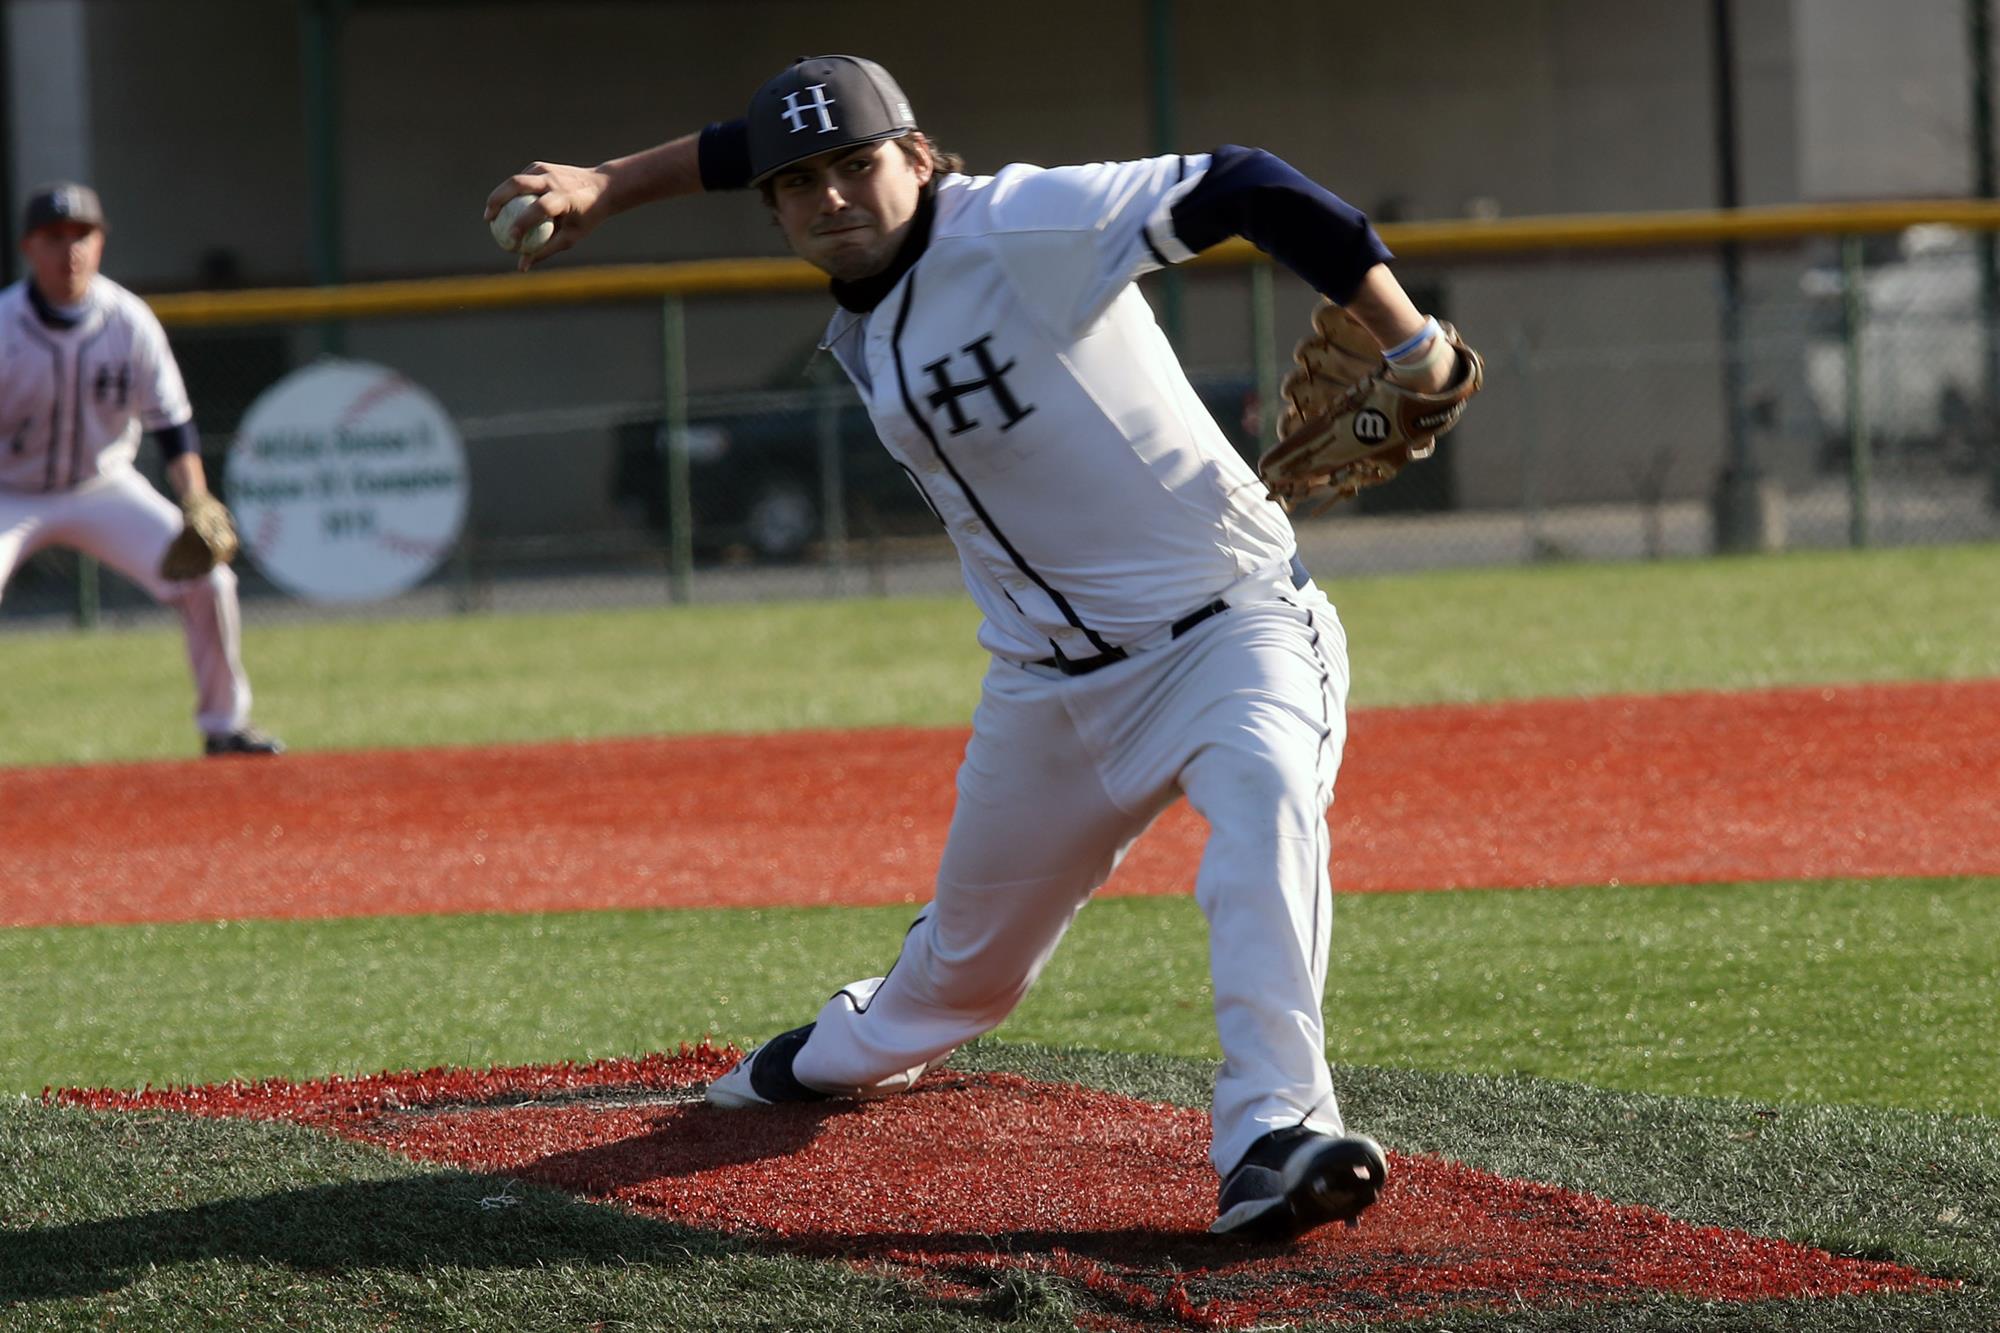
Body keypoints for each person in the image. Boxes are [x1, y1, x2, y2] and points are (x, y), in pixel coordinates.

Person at [487, 55, 1475, 1241]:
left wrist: (1409, 343)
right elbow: (745, 144)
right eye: (797, 184)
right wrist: (608, 183)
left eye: (857, 164)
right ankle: (836, 1051)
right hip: (1044, 692)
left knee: (1264, 809)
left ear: (916, 156)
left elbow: (1249, 182)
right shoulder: (865, 280)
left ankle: (1275, 1134)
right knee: (959, 976)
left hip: (1230, 631)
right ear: (773, 207)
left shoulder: (1023, 224)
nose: (831, 196)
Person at [2, 183, 281, 757]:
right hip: (9, 491)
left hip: (102, 487)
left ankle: (225, 725)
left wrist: (195, 499)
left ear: (101, 243)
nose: (70, 250)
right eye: (54, 237)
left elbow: (172, 424)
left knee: (210, 579)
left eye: (82, 235)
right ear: (29, 247)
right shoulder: (4, 326)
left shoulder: (128, 320)